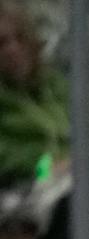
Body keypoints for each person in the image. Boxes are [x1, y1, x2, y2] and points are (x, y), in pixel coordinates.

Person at [0, 3, 68, 189]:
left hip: (78, 168)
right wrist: (46, 167)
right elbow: (7, 160)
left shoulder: (54, 84)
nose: (13, 50)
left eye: (20, 38)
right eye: (1, 44)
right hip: (28, 185)